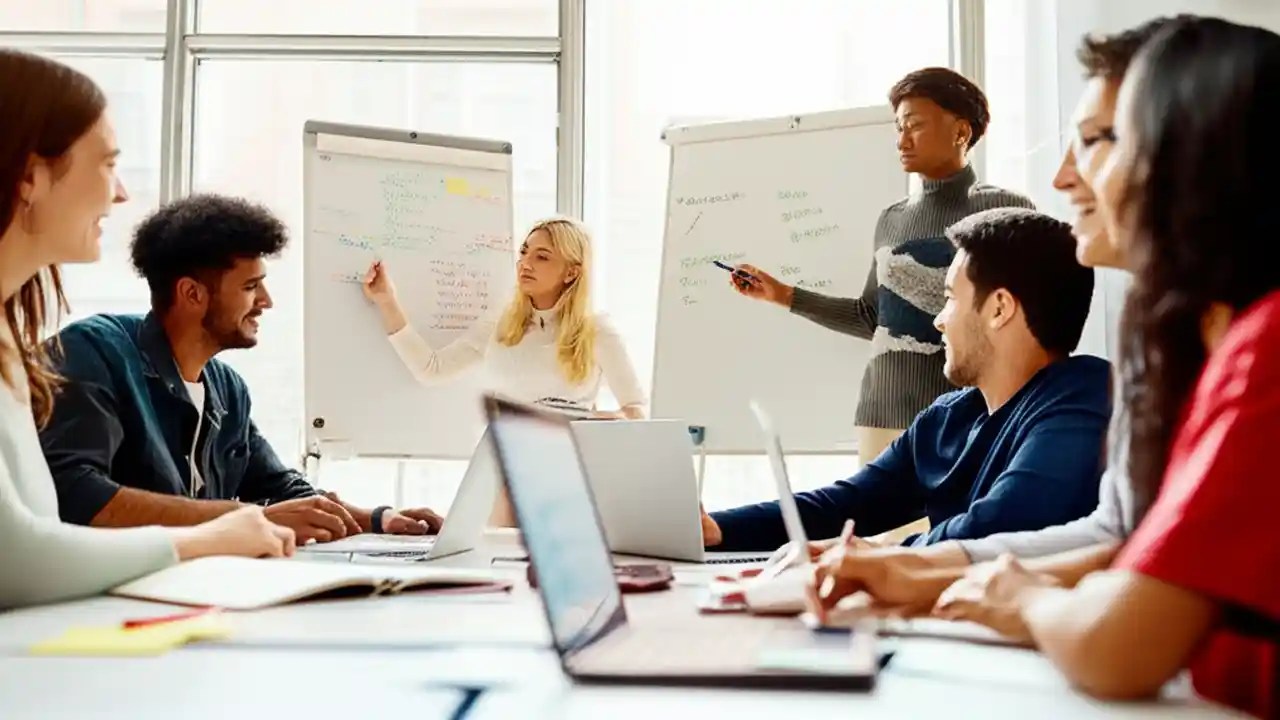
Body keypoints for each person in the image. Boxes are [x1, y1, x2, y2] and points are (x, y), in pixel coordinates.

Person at [941, 19, 1280, 715]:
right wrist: (919, 574)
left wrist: (1023, 597)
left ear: (1189, 154)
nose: (1070, 175)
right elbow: (1136, 554)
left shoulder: (1265, 346)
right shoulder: (1197, 342)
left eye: (1108, 139)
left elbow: (1118, 642)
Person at [806, 17, 1184, 621]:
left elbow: (1137, 600)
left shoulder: (1092, 388)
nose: (1065, 176)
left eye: (1095, 141)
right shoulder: (1157, 350)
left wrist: (903, 563)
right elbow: (1111, 538)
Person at [0, 50, 294, 610]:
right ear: (31, 176)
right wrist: (209, 537)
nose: (121, 193)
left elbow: (33, 540)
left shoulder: (10, 341)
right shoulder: (92, 352)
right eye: (108, 163)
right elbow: (12, 558)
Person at [40, 194, 443, 545]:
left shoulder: (227, 389)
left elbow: (282, 490)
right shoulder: (94, 351)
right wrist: (250, 520)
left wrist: (379, 519)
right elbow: (76, 495)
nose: (265, 301)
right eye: (251, 286)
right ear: (191, 293)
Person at [703, 208, 1109, 553]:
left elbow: (1007, 523)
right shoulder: (946, 419)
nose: (938, 320)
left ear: (999, 308)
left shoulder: (1083, 395)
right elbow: (848, 503)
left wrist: (879, 554)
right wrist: (720, 530)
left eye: (950, 298)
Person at [729, 67, 1033, 463]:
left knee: (962, 527)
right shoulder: (891, 219)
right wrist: (782, 294)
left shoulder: (1005, 210)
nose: (902, 140)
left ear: (961, 132)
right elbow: (872, 317)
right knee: (881, 525)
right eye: (898, 127)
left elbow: (1026, 322)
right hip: (881, 414)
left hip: (972, 412)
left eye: (916, 125)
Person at [362, 216, 646, 420]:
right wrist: (387, 301)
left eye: (542, 257)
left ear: (571, 272)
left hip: (571, 466)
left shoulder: (595, 329)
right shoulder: (502, 324)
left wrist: (610, 420)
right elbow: (431, 370)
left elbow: (636, 410)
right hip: (506, 466)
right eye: (524, 252)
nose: (525, 263)